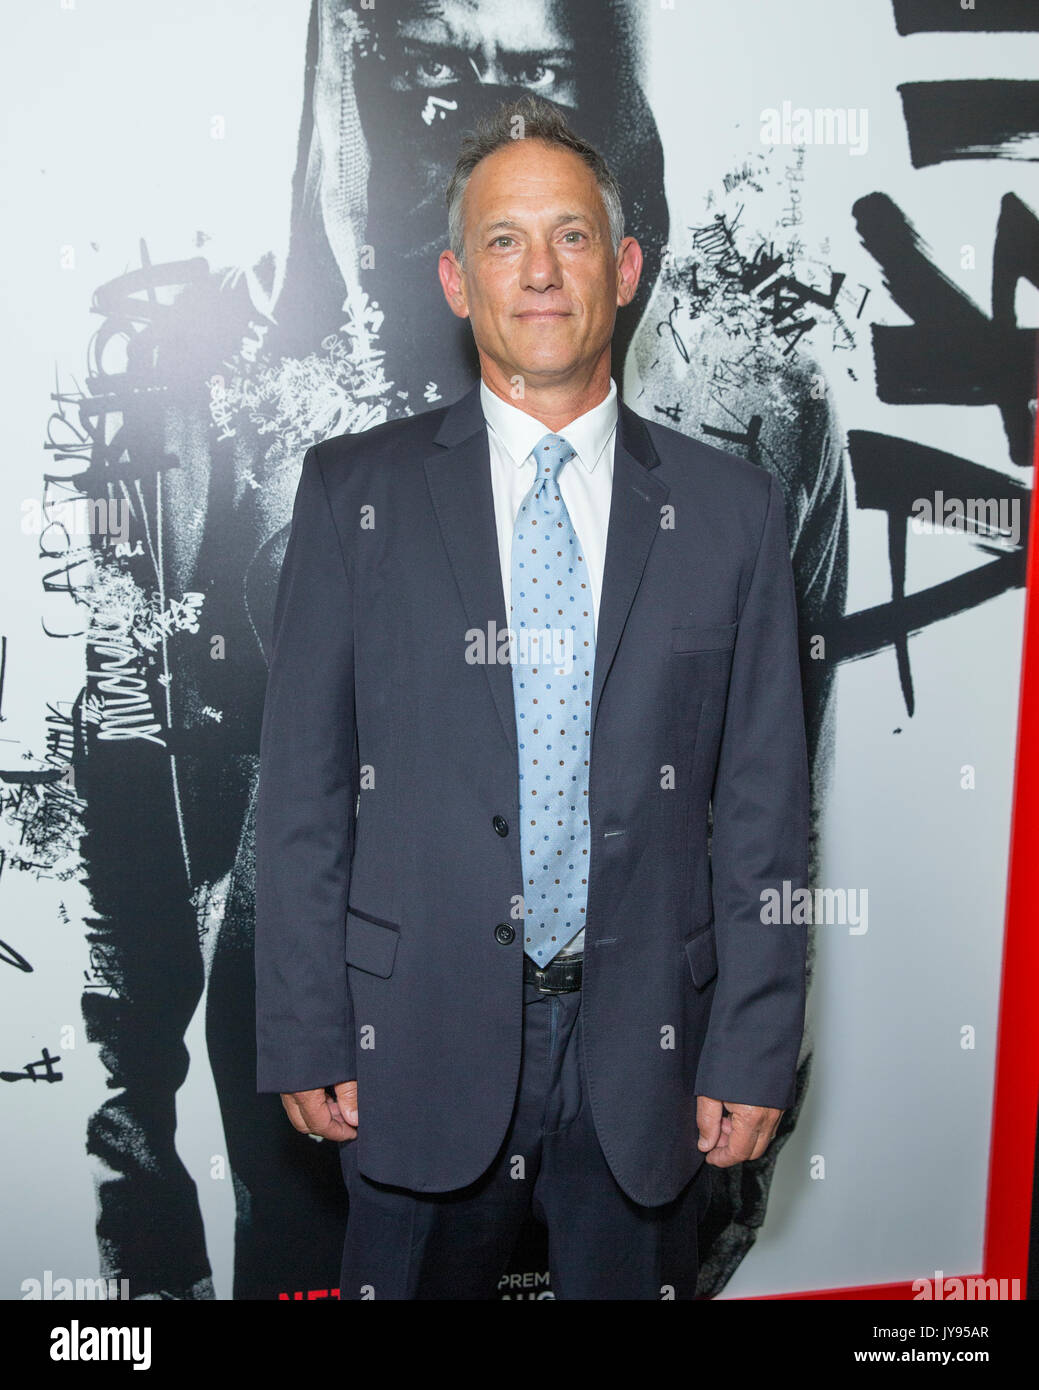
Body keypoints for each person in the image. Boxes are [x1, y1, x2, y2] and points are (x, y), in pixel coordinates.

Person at [254, 94, 810, 1300]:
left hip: (647, 1056)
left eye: (569, 236)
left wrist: (758, 1045)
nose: (540, 271)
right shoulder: (355, 495)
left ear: (623, 266)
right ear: (458, 282)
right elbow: (299, 789)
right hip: (407, 1045)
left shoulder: (731, 514)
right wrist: (303, 1027)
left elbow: (767, 812)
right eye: (504, 240)